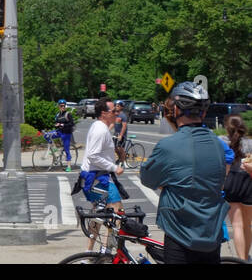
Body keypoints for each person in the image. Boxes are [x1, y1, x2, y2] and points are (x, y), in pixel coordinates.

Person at [140, 82, 229, 264]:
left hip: (179, 234)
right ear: (203, 112)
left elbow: (148, 179)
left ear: (176, 110)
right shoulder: (218, 144)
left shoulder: (169, 146)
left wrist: (169, 181)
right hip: (211, 233)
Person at [76, 99, 125, 247]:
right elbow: (93, 155)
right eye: (113, 111)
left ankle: (91, 253)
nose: (117, 113)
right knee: (117, 211)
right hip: (96, 179)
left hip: (95, 178)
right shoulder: (99, 130)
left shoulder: (100, 127)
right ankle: (106, 250)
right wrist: (114, 167)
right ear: (104, 113)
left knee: (100, 214)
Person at [219, 114, 252, 261]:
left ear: (227, 126)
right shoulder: (250, 143)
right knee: (247, 225)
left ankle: (241, 259)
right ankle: (245, 257)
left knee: (237, 225)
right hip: (247, 182)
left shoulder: (221, 141)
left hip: (230, 180)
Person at [53, 101, 76, 170]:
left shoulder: (68, 114)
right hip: (59, 131)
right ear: (58, 106)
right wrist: (56, 125)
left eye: (64, 106)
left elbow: (72, 124)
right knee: (47, 136)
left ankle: (69, 166)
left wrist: (63, 125)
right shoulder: (57, 115)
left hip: (66, 133)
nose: (63, 107)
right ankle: (55, 152)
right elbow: (56, 123)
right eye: (61, 106)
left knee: (66, 149)